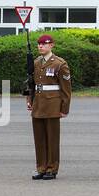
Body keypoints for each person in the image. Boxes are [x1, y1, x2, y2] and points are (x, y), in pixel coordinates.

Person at [27, 34, 71, 179]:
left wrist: (64, 108)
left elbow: (66, 89)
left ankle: (52, 168)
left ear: (51, 45)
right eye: (39, 44)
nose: (40, 46)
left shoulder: (59, 64)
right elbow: (31, 84)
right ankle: (41, 167)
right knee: (39, 139)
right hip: (38, 104)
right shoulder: (36, 63)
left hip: (53, 104)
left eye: (44, 44)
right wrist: (30, 99)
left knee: (52, 139)